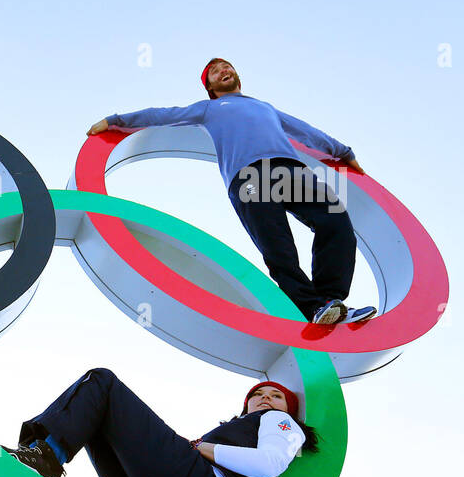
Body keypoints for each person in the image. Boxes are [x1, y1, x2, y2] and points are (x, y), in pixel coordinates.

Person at [87, 58, 376, 326]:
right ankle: (311, 308)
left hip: (289, 170)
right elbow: (163, 115)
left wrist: (343, 151)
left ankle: (330, 300)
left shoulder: (264, 107)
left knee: (335, 220)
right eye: (215, 71)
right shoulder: (209, 108)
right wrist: (115, 120)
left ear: (237, 75)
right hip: (248, 176)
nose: (223, 70)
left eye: (226, 66)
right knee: (278, 248)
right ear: (211, 89)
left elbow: (306, 131)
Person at [6, 368, 318, 477]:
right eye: (258, 395)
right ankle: (40, 458)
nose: (266, 398)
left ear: (289, 408)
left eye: (276, 396)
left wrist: (204, 448)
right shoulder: (244, 425)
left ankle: (43, 460)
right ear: (245, 406)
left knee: (102, 383)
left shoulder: (281, 422)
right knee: (97, 419)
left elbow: (271, 463)